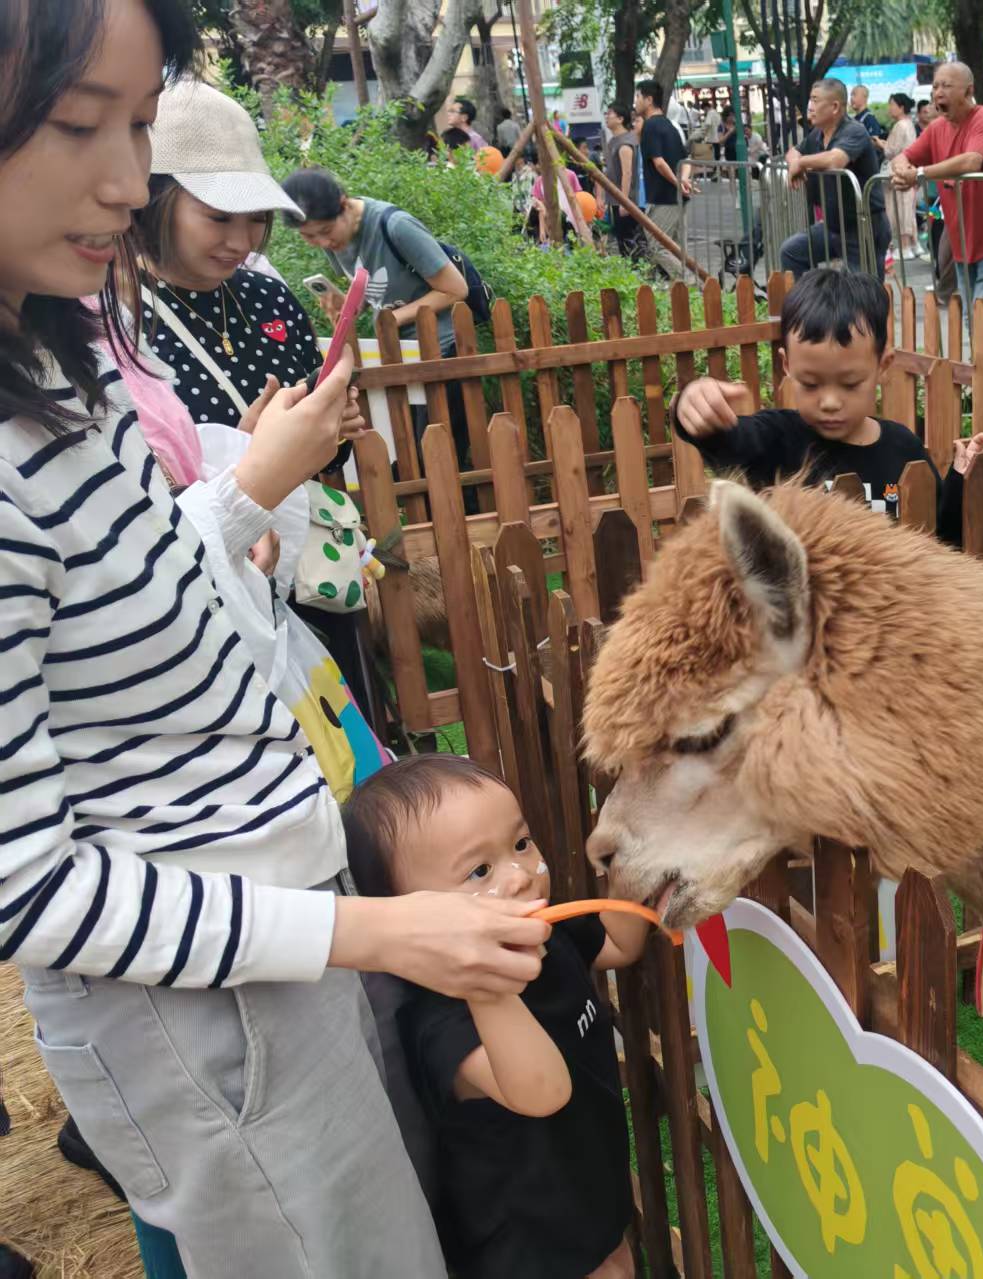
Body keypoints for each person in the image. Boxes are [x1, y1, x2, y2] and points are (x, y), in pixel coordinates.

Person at [0, 5, 558, 1277]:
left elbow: (140, 596)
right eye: (80, 121)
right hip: (203, 1005)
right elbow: (23, 881)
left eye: (140, 125)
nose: (127, 180)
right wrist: (367, 935)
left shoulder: (60, 353)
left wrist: (250, 484)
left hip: (279, 936)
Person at [131, 78, 384, 728]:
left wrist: (338, 426)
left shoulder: (268, 297)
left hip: (305, 584)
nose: (242, 239)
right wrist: (244, 458)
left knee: (340, 759)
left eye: (255, 218)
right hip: (200, 602)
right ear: (155, 200)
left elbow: (328, 444)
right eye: (218, 216)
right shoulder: (116, 315)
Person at [343, 756, 649, 1279]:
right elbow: (542, 1091)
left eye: (522, 844)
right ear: (412, 917)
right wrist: (484, 985)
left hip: (588, 1193)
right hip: (525, 1244)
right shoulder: (443, 1017)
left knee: (618, 1264)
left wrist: (638, 852)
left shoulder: (550, 938)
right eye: (480, 871)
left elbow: (621, 943)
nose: (521, 876)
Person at [669, 268, 983, 543]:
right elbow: (726, 442)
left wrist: (961, 479)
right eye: (810, 384)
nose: (829, 402)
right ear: (787, 366)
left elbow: (942, 539)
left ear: (883, 366)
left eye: (850, 384)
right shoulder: (776, 438)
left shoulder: (903, 446)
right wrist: (690, 406)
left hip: (892, 614)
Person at [892, 61, 983, 354]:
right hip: (962, 240)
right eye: (935, 86)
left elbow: (972, 161)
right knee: (970, 318)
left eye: (946, 86)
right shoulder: (936, 129)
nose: (938, 93)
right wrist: (902, 170)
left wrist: (920, 174)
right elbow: (904, 157)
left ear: (969, 90)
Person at [281, 167, 468, 357]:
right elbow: (371, 286)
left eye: (326, 230)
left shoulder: (396, 226)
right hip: (395, 350)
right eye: (308, 236)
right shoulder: (333, 240)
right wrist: (349, 307)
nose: (323, 242)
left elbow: (455, 290)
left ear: (344, 205)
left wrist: (392, 319)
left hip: (442, 349)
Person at [780, 78, 890, 277]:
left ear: (835, 107)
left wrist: (801, 162)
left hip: (864, 227)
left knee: (864, 293)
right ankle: (810, 306)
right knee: (792, 251)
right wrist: (795, 160)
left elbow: (835, 160)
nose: (809, 107)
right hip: (834, 225)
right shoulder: (817, 134)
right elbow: (793, 151)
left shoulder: (854, 130)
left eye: (815, 100)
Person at [636, 77, 695, 282]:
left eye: (638, 96)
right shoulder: (670, 126)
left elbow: (659, 162)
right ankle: (686, 295)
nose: (635, 101)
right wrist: (683, 181)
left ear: (649, 100)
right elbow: (686, 160)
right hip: (676, 196)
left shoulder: (650, 126)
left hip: (663, 198)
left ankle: (690, 282)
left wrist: (678, 183)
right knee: (675, 248)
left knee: (657, 246)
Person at [883, 92, 923, 262]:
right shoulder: (910, 124)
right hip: (909, 169)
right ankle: (914, 245)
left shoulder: (900, 125)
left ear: (901, 107)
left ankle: (904, 247)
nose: (889, 108)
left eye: (892, 104)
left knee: (898, 210)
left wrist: (880, 143)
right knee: (908, 210)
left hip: (898, 171)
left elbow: (890, 150)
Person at [603, 105, 644, 259]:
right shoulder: (613, 141)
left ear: (621, 119)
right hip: (616, 200)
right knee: (622, 241)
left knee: (629, 243)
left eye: (610, 114)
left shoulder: (626, 142)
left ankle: (638, 276)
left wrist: (624, 201)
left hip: (627, 202)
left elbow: (627, 173)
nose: (606, 116)